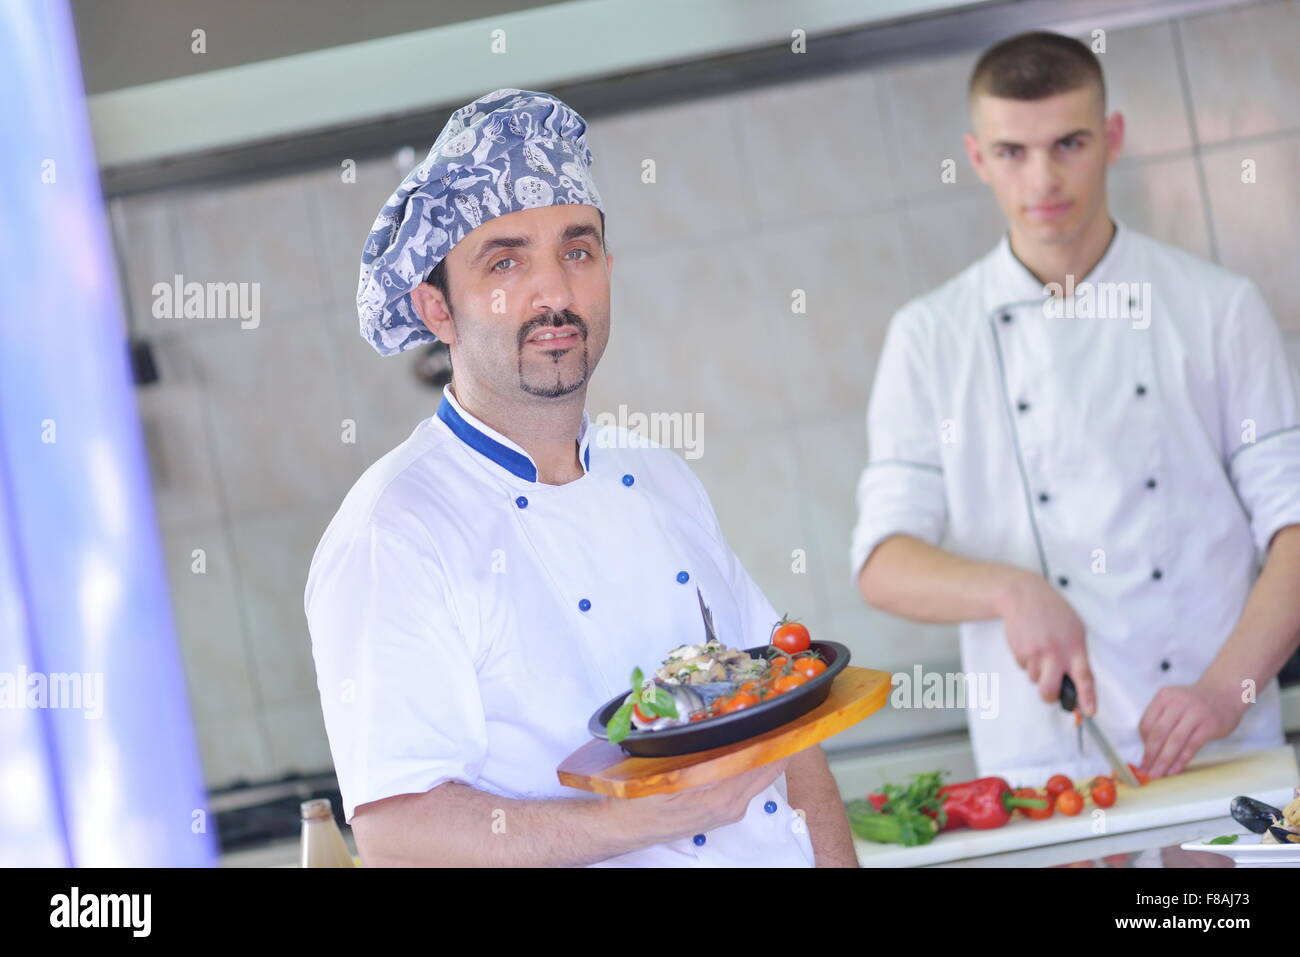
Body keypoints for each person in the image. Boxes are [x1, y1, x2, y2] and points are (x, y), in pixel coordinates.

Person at [305, 89, 856, 867]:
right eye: (504, 261)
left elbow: (790, 720)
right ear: (437, 309)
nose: (555, 293)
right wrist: (649, 817)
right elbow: (398, 834)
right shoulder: (393, 529)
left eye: (577, 249)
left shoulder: (656, 470)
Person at [851, 32, 1300, 787]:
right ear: (977, 156)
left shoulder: (1218, 309)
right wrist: (1010, 588)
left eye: (1069, 142)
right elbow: (882, 559)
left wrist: (1226, 692)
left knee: (1202, 913)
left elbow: (1293, 525)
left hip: (1221, 747)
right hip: (1043, 769)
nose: (1044, 178)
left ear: (1113, 138)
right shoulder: (929, 336)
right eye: (1013, 152)